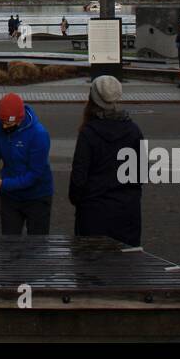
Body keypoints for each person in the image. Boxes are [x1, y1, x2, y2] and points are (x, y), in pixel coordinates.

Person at [68, 77, 144, 246]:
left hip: (93, 212)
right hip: (127, 211)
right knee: (126, 268)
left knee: (93, 268)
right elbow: (140, 175)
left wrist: (78, 201)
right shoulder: (134, 130)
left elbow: (78, 177)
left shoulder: (88, 133)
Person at [0, 92, 54, 235]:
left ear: (20, 119)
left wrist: (4, 184)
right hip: (10, 198)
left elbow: (34, 175)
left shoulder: (39, 134)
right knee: (9, 244)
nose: (4, 127)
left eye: (8, 123)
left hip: (37, 197)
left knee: (36, 246)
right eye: (2, 122)